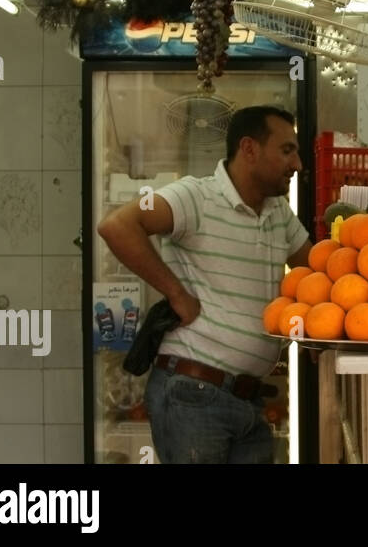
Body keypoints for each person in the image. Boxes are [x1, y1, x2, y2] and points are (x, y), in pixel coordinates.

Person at [97, 105, 311, 463]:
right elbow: (116, 226)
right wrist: (177, 294)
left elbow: (315, 271)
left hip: (248, 401)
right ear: (249, 149)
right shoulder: (195, 196)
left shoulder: (278, 214)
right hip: (193, 397)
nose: (298, 165)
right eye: (287, 150)